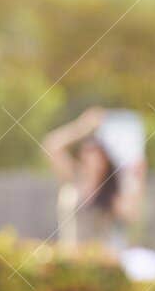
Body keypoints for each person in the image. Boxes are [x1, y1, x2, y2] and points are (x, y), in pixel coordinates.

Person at [42, 107, 141, 252]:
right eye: (88, 151)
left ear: (105, 159)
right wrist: (81, 128)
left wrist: (135, 177)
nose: (92, 158)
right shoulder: (73, 177)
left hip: (101, 263)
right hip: (71, 259)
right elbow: (51, 146)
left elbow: (130, 214)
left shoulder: (113, 189)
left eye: (97, 153)